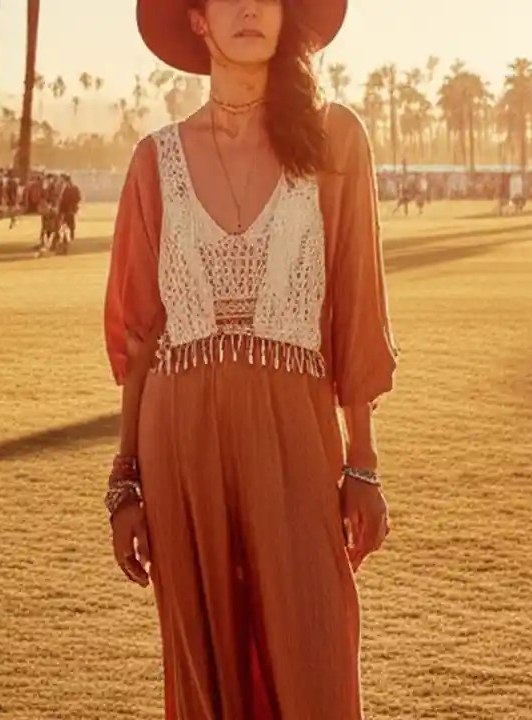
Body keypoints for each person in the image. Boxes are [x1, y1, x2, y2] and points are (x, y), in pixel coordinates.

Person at [104, 0, 397, 716]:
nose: (248, 7)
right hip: (181, 443)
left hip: (294, 436)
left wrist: (361, 462)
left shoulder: (333, 139)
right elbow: (142, 336)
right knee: (209, 668)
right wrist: (125, 481)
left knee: (314, 655)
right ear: (197, 21)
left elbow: (357, 308)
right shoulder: (156, 159)